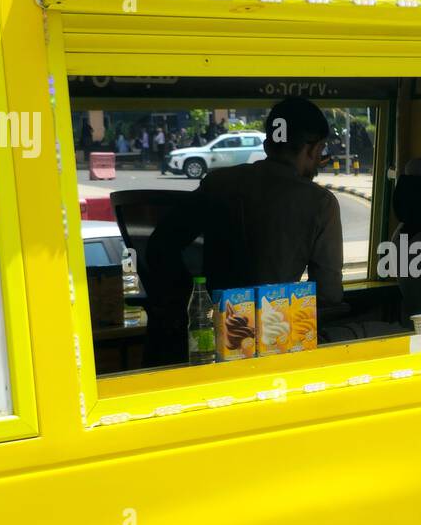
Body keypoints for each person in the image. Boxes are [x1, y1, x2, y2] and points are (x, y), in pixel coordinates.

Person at [143, 97, 344, 365]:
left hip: (208, 343)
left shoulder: (219, 184)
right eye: (320, 153)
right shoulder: (320, 203)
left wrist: (191, 303)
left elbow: (160, 245)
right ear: (313, 149)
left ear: (268, 144)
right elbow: (328, 294)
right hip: (272, 344)